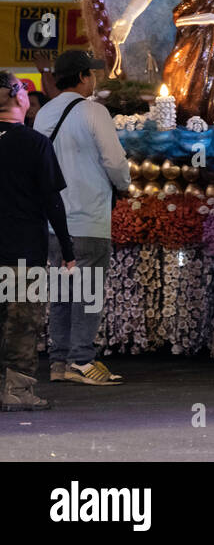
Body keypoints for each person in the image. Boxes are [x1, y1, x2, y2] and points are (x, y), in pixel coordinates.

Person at [34, 50, 131, 385]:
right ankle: (81, 360)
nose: (95, 79)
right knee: (87, 292)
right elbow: (115, 162)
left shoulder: (43, 114)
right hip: (88, 217)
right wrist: (124, 185)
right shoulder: (93, 111)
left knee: (62, 292)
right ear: (81, 77)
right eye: (92, 73)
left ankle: (59, 362)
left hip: (54, 222)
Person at [0, 71, 76, 410]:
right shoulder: (34, 144)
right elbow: (52, 201)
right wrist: (67, 249)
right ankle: (17, 392)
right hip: (24, 253)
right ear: (20, 99)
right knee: (21, 323)